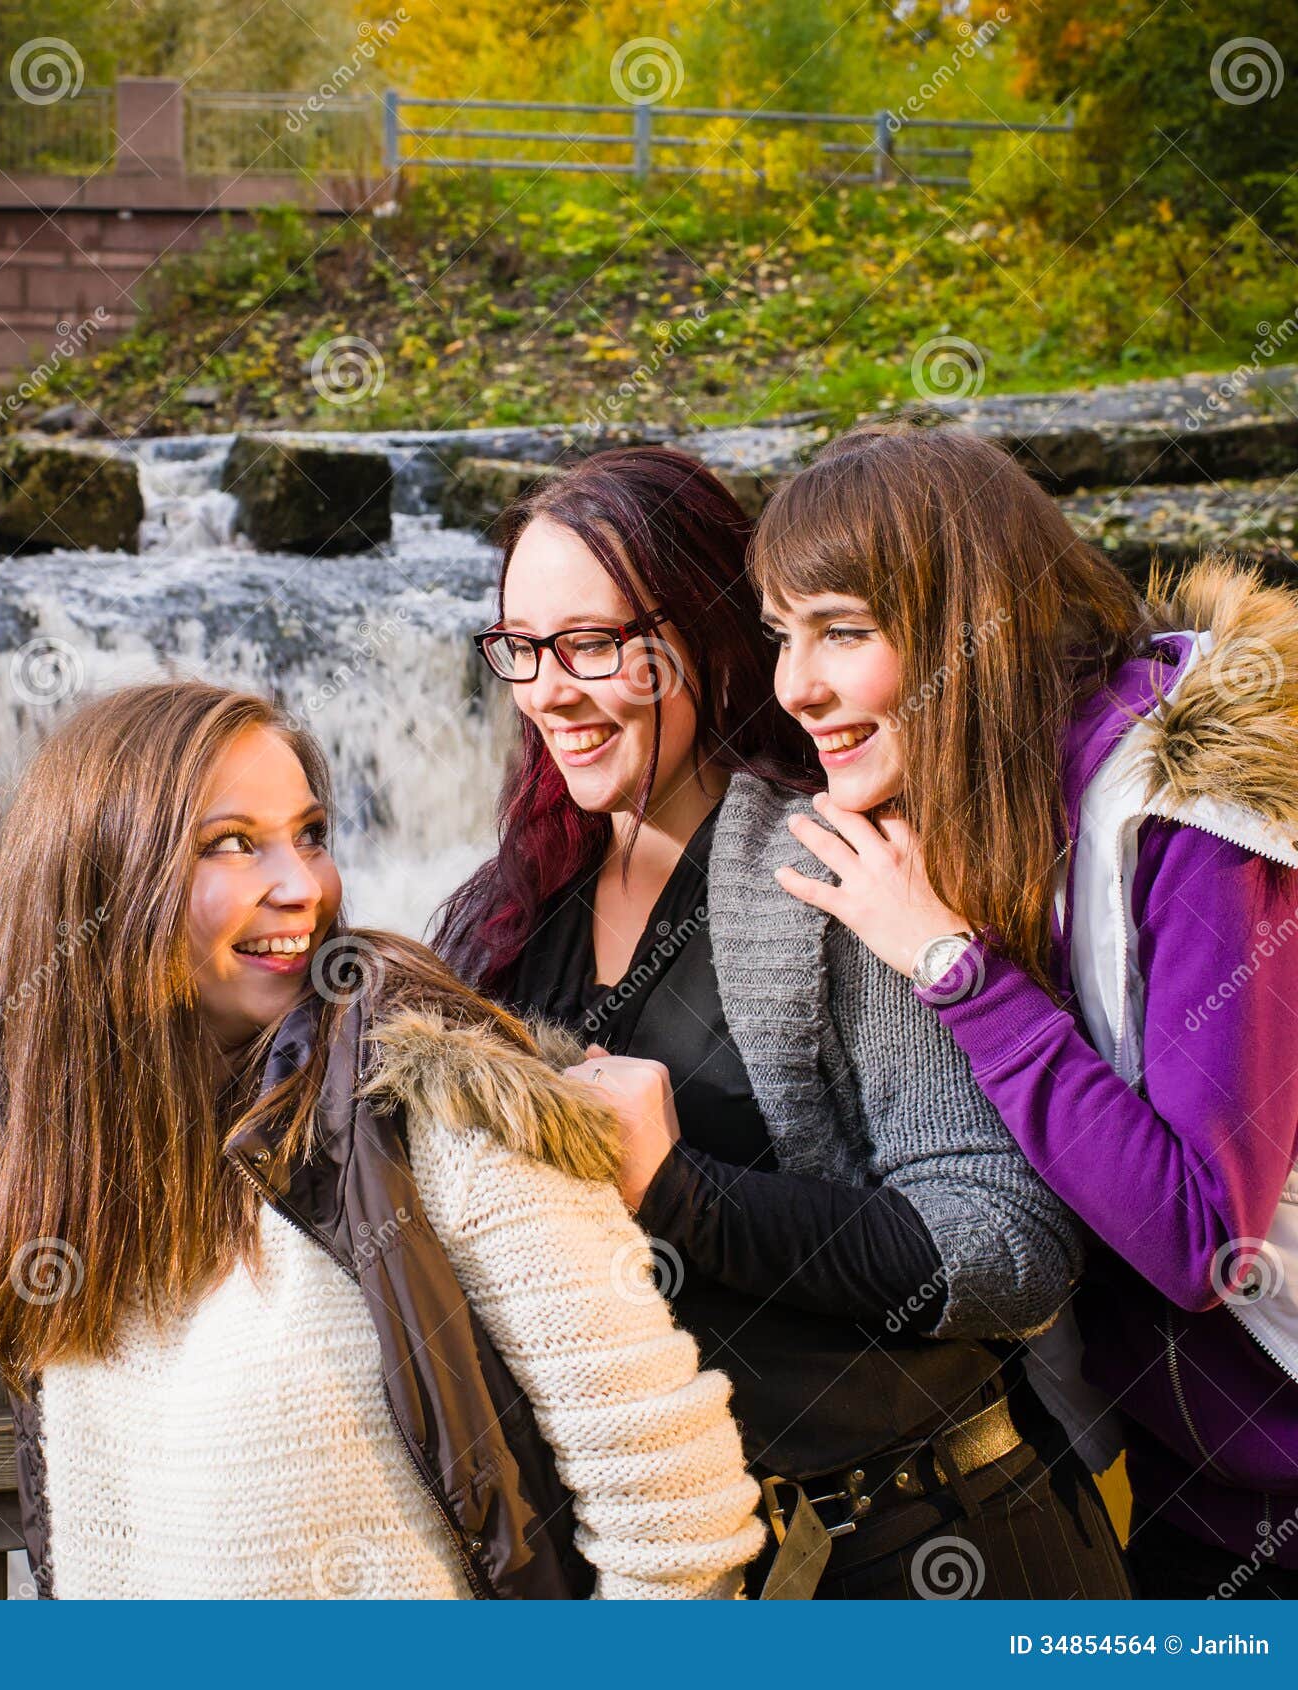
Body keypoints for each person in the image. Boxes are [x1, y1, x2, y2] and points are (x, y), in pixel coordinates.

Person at [0, 682, 767, 1600]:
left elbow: (673, 1506)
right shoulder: (39, 1132)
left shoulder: (431, 1100)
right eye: (232, 842)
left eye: (308, 832)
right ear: (103, 880)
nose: (301, 886)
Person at [437, 446, 1130, 1598]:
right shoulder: (498, 924)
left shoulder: (834, 875)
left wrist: (685, 1194)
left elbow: (1009, 1245)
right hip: (680, 1580)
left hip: (922, 1559)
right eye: (520, 648)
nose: (548, 690)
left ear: (709, 640)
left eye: (594, 644)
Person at [754, 421, 1298, 1598]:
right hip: (1175, 1485)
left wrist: (953, 968)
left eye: (842, 630)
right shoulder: (982, 806)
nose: (797, 684)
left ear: (969, 628)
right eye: (779, 634)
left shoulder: (1188, 825)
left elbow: (1210, 1241)